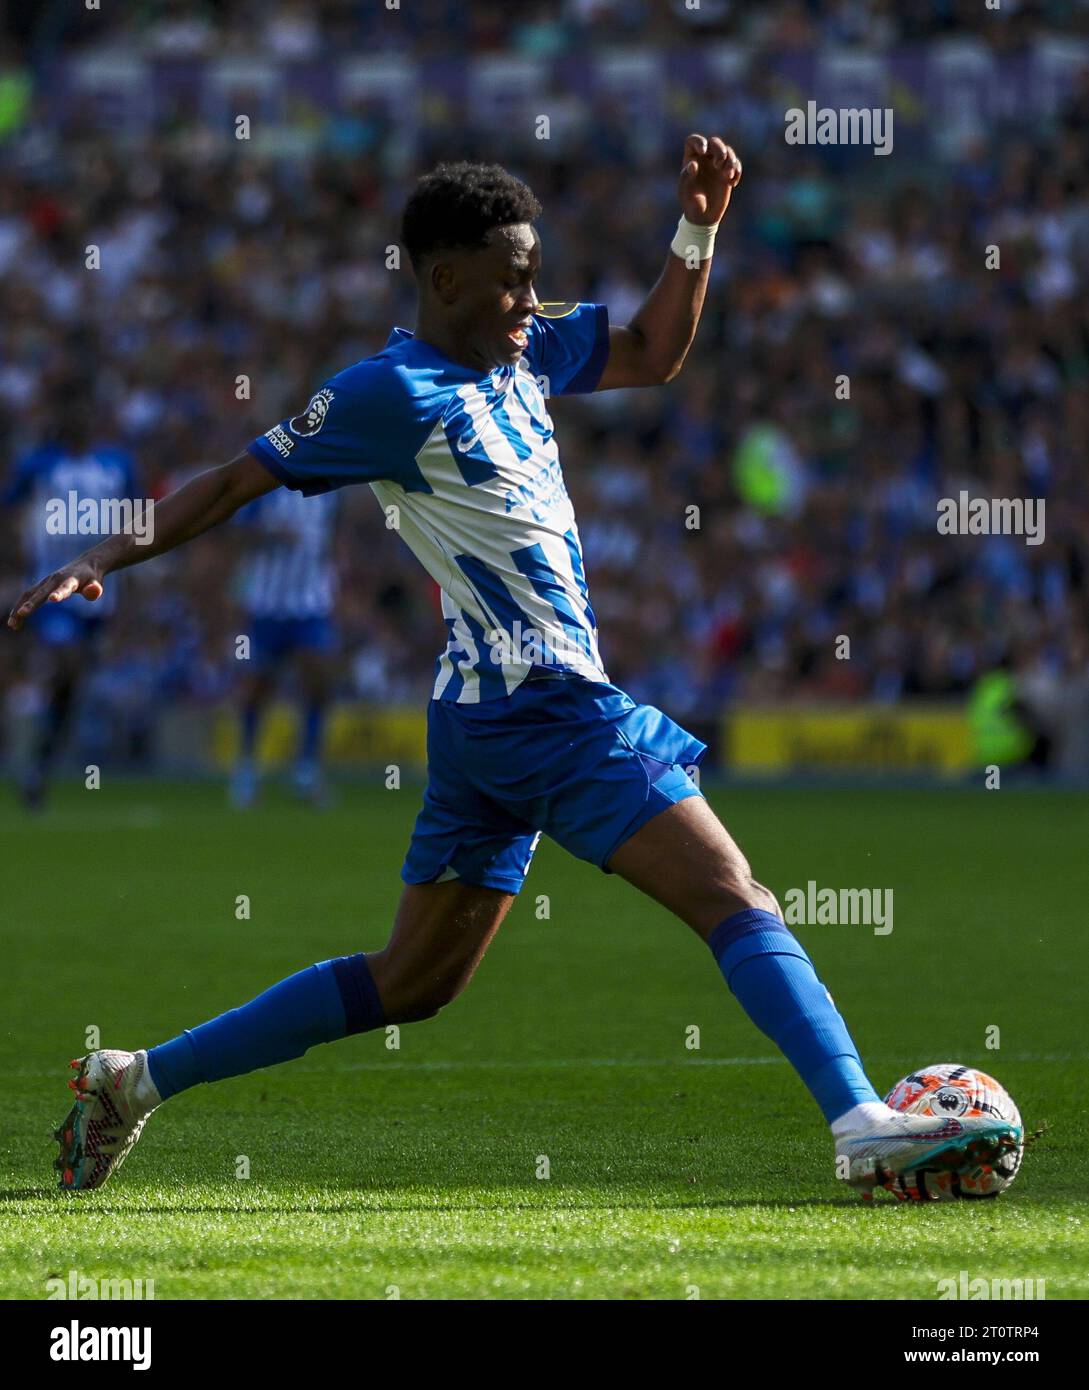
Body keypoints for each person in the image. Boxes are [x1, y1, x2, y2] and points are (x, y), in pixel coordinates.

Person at [8, 139, 1019, 1199]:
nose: (534, 297)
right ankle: (860, 1119)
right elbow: (229, 482)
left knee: (412, 982)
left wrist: (698, 229)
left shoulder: (527, 351)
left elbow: (652, 349)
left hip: (482, 722)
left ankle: (136, 1079)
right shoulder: (387, 394)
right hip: (548, 709)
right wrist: (100, 554)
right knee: (734, 893)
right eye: (514, 277)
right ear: (446, 281)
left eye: (535, 273)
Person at [4, 397, 139, 808]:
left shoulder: (117, 464)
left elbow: (141, 517)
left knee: (73, 684)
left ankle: (39, 762)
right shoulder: (40, 463)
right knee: (66, 663)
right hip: (54, 585)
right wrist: (18, 557)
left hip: (100, 589)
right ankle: (36, 756)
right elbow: (11, 509)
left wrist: (135, 579)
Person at [230, 486, 340, 807]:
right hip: (267, 604)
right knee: (257, 687)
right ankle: (247, 768)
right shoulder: (266, 485)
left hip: (312, 603)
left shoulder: (330, 487)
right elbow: (239, 532)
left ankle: (306, 769)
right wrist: (271, 533)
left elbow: (333, 533)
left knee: (319, 682)